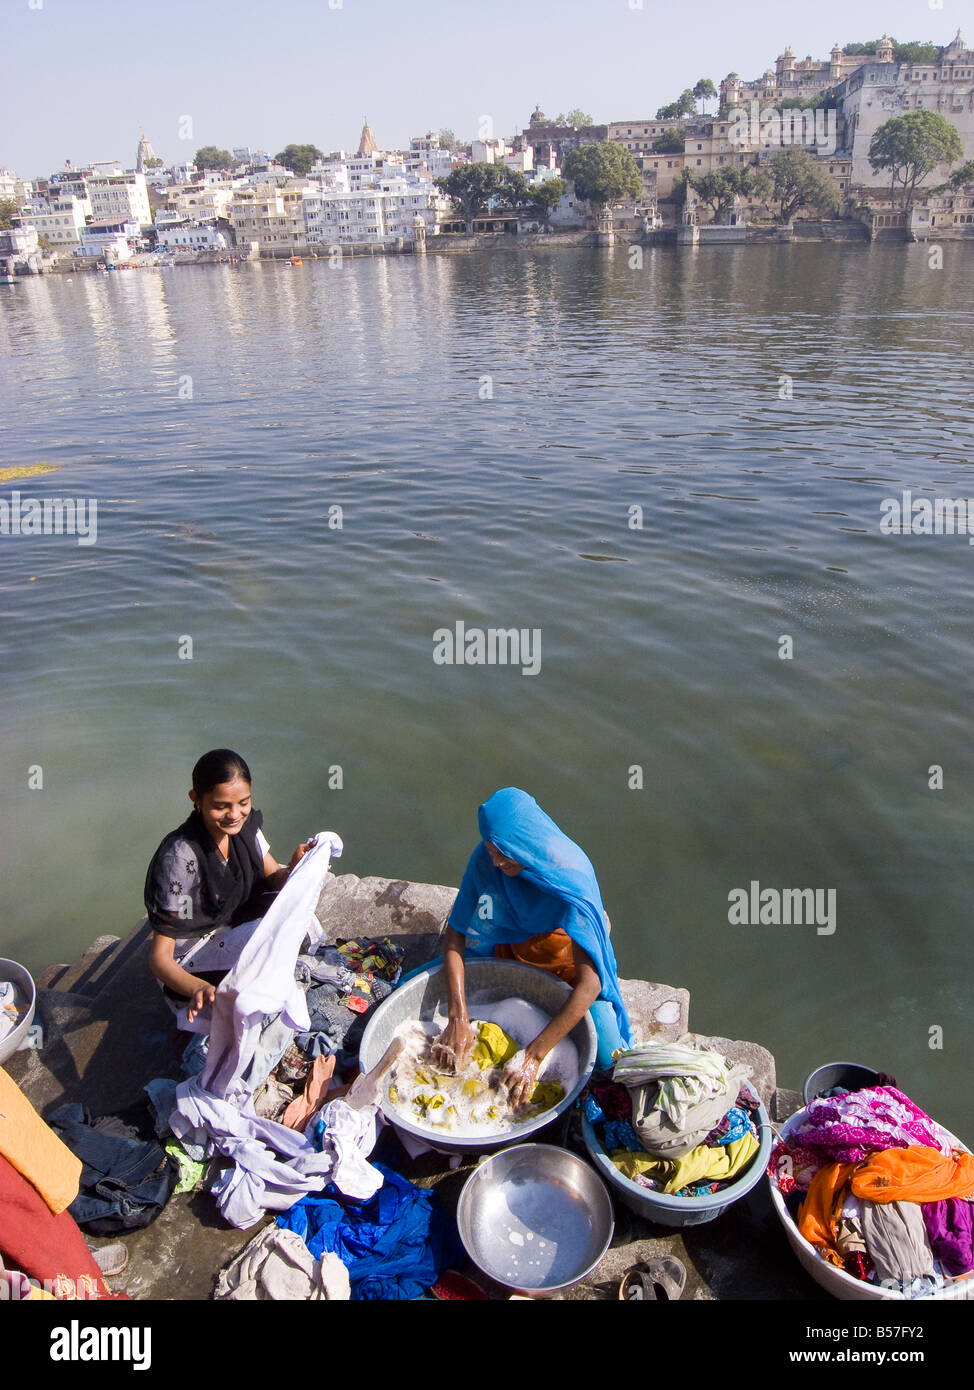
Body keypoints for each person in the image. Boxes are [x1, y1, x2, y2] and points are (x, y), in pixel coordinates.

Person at [432, 787, 634, 1107]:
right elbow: (455, 934)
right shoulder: (488, 857)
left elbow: (590, 984)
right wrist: (458, 1017)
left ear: (523, 843)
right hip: (508, 946)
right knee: (421, 986)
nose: (496, 862)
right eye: (491, 850)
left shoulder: (569, 878)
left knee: (611, 1061)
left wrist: (533, 1056)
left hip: (565, 966)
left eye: (503, 853)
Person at [145, 749, 313, 1023]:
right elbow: (160, 957)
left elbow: (275, 879)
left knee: (297, 922)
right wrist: (196, 987)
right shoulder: (180, 859)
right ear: (195, 799)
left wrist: (296, 867)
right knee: (270, 957)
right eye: (221, 806)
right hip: (190, 959)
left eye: (243, 802)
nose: (234, 814)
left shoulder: (245, 829)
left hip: (228, 924)